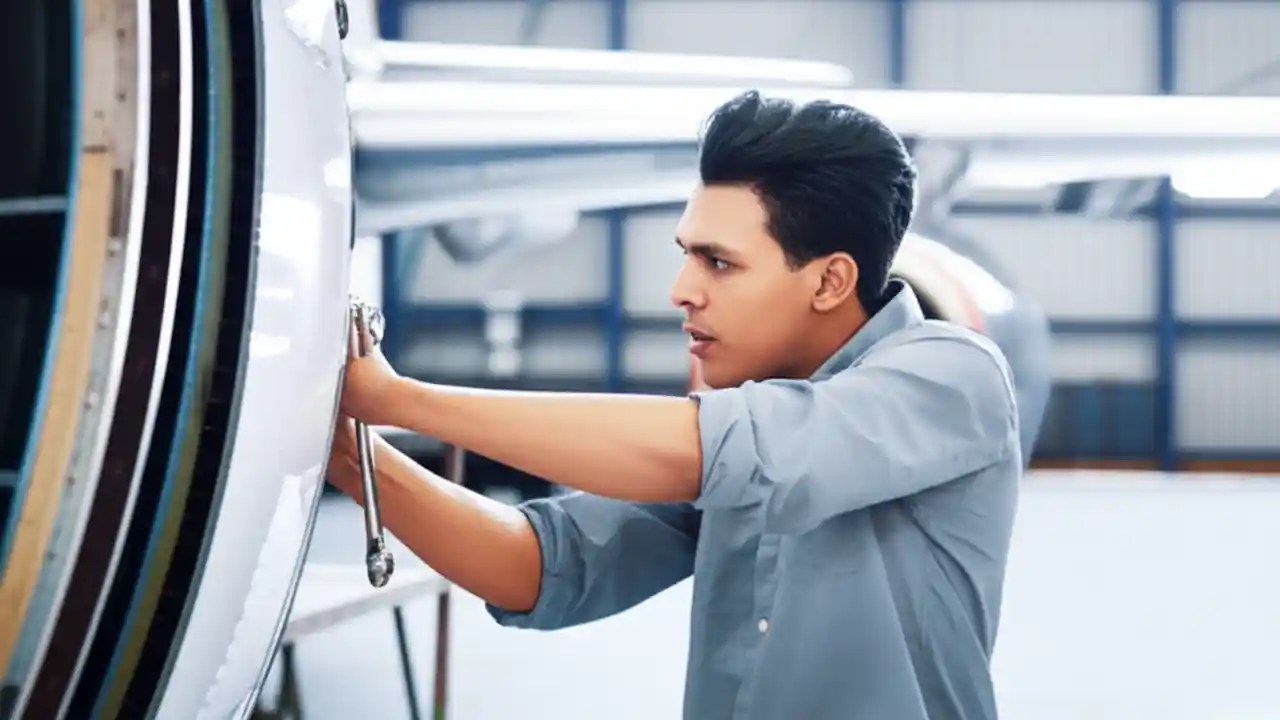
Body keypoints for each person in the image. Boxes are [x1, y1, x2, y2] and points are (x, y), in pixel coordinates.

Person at [327, 90, 1022, 720]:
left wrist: (400, 398)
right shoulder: (737, 423)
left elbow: (737, 455)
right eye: (688, 255)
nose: (682, 290)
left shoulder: (950, 377)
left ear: (831, 280)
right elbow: (541, 565)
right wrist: (354, 455)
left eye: (719, 262)